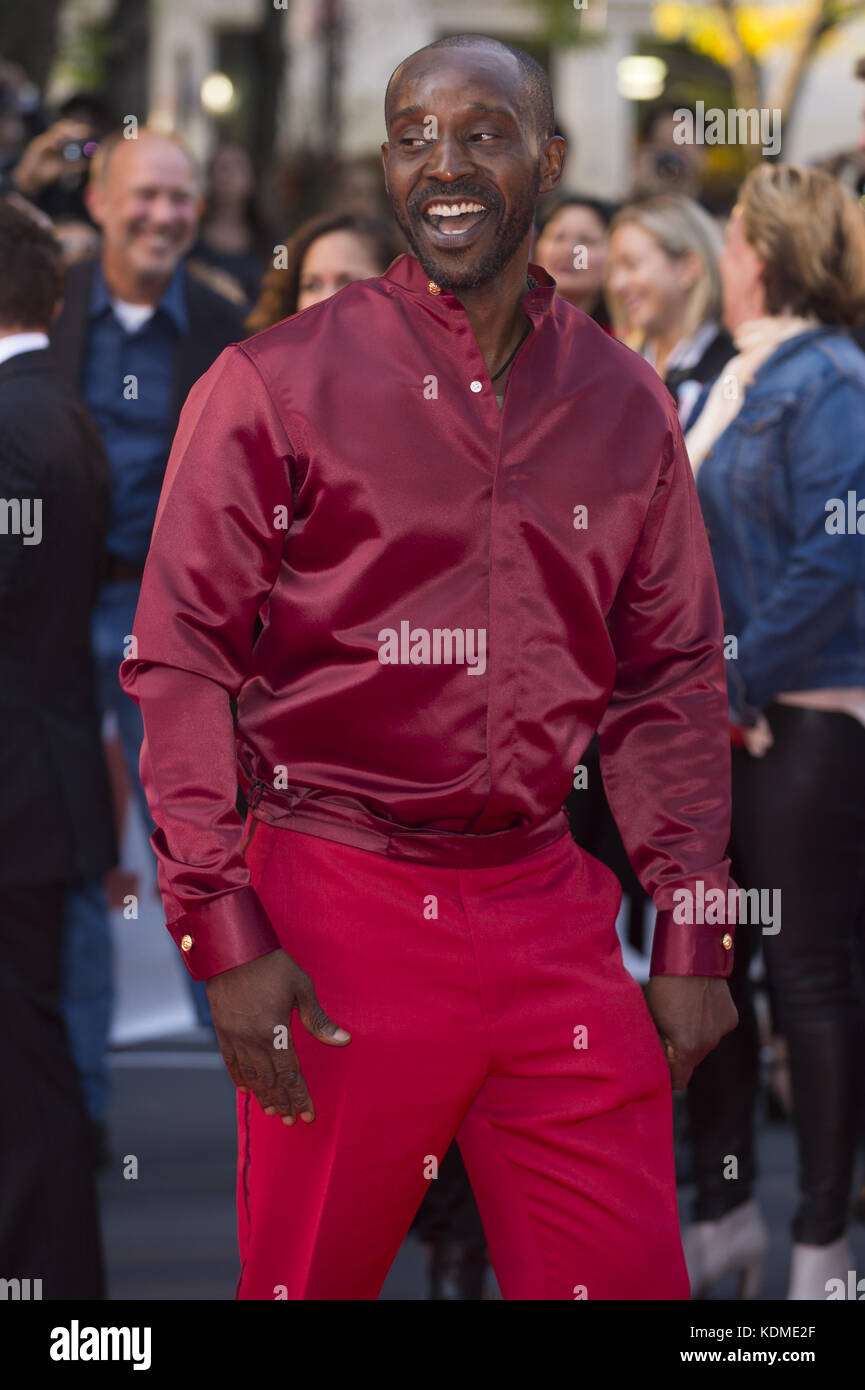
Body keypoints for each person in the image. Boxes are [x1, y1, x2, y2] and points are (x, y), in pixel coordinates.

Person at [119, 33, 738, 1301]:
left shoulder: (625, 402)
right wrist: (221, 925)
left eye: (483, 133)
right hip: (333, 907)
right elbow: (179, 659)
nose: (444, 165)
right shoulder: (272, 383)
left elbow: (670, 676)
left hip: (549, 911)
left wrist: (695, 934)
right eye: (413, 136)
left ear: (548, 161)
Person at [48, 127, 247, 1163]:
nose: (165, 215)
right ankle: (78, 1105)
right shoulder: (49, 307)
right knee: (67, 857)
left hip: (174, 628)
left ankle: (261, 1109)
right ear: (99, 202)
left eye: (181, 197)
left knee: (202, 850)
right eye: (145, 197)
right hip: (49, 622)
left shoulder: (222, 322)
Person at [685, 163, 865, 1300]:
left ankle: (820, 1242)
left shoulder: (832, 377)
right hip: (727, 718)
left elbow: (838, 551)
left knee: (806, 979)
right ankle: (728, 1211)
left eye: (735, 235)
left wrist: (737, 680)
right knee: (709, 968)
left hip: (804, 720)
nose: (723, 253)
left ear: (765, 249)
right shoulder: (740, 375)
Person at [0, 201, 115, 1297]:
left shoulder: (15, 423)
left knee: (27, 1074)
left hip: (19, 800)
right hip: (38, 789)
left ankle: (50, 1292)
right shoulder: (56, 412)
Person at [607, 194, 734, 427]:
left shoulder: (729, 368)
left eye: (631, 264)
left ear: (688, 267)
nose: (617, 284)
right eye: (614, 269)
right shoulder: (616, 365)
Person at [245, 211, 403, 332]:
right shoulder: (268, 372)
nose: (325, 300)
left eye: (347, 283)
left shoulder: (421, 370)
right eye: (312, 286)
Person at [190, 142, 270, 306]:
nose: (228, 176)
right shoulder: (188, 235)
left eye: (237, 167)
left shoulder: (271, 243)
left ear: (252, 178)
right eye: (221, 168)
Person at [532, 194, 615, 331]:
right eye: (559, 237)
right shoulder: (505, 329)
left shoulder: (630, 343)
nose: (568, 251)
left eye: (585, 240)